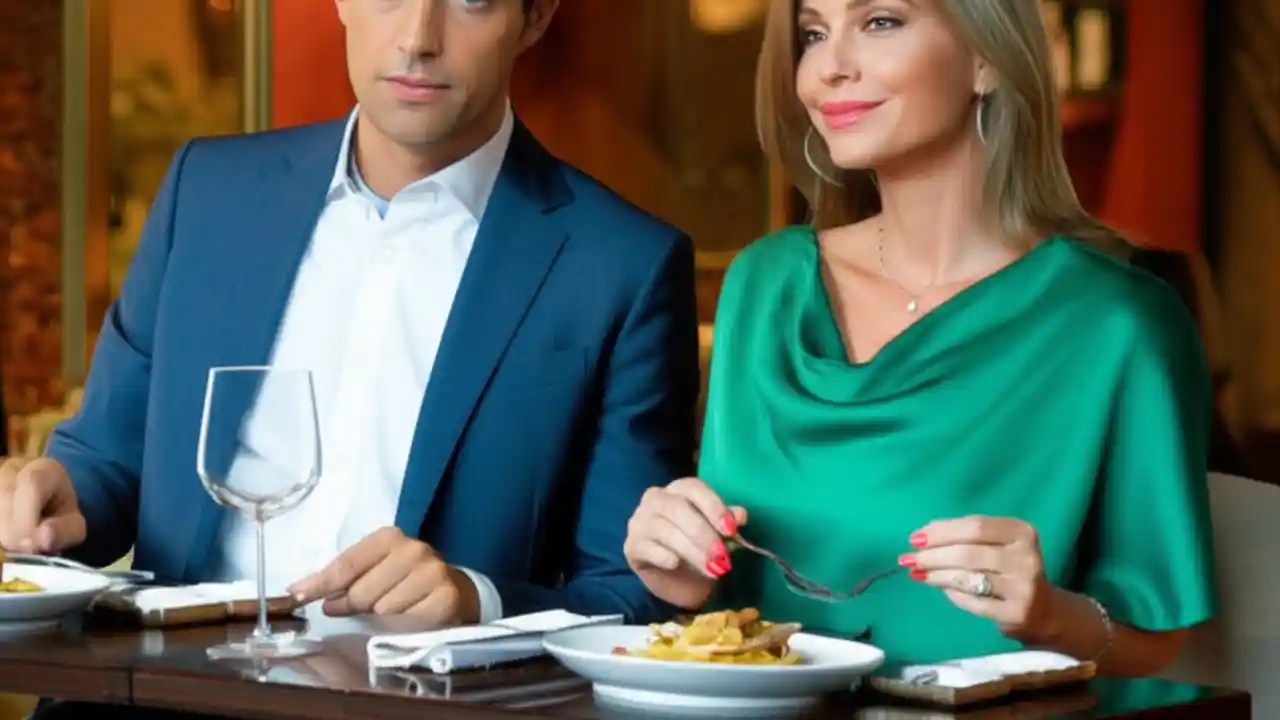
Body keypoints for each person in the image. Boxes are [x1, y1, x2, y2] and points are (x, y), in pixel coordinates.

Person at [0, 0, 699, 629]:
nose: (418, 38)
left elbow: (631, 596)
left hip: (415, 707)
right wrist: (57, 502)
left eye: (471, 2)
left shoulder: (621, 267)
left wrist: (475, 600)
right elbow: (104, 464)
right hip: (163, 694)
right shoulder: (207, 193)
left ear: (536, 17)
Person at [624, 0, 1215, 677]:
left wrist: (1049, 613)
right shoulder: (765, 286)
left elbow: (1160, 647)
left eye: (880, 22)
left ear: (988, 57)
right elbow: (727, 613)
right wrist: (682, 575)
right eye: (814, 34)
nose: (829, 69)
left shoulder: (1119, 324)